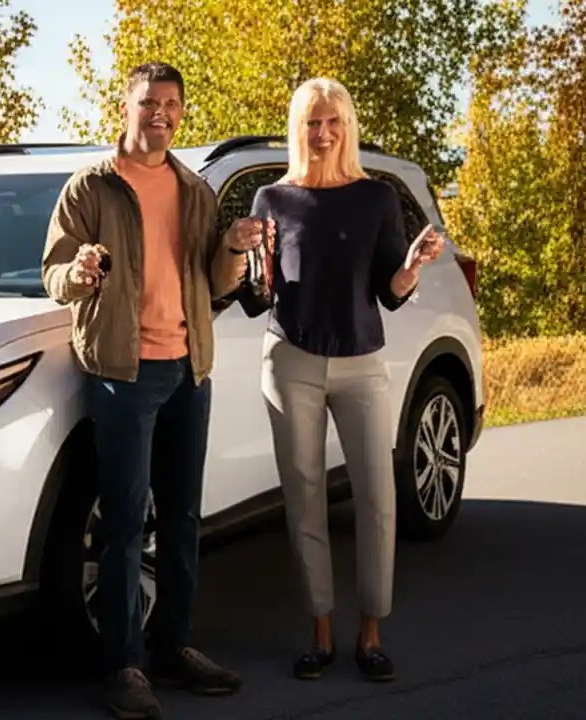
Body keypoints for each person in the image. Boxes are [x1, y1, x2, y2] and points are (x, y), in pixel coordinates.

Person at [41, 61, 265, 719]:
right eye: (147, 102)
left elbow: (218, 284)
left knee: (183, 521)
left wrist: (231, 245)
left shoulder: (194, 190)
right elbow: (54, 273)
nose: (158, 113)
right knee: (122, 528)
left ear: (181, 112)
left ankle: (175, 647)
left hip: (188, 372)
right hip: (123, 376)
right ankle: (125, 665)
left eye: (169, 103)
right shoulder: (91, 187)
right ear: (126, 107)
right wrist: (80, 271)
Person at [247, 77, 446, 683]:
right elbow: (259, 300)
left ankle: (371, 631)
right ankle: (321, 632)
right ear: (298, 129)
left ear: (347, 125)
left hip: (362, 364)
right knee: (304, 500)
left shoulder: (376, 198)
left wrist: (410, 269)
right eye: (312, 123)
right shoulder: (271, 200)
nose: (324, 133)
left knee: (378, 499)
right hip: (291, 364)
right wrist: (251, 265)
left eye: (333, 121)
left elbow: (388, 292)